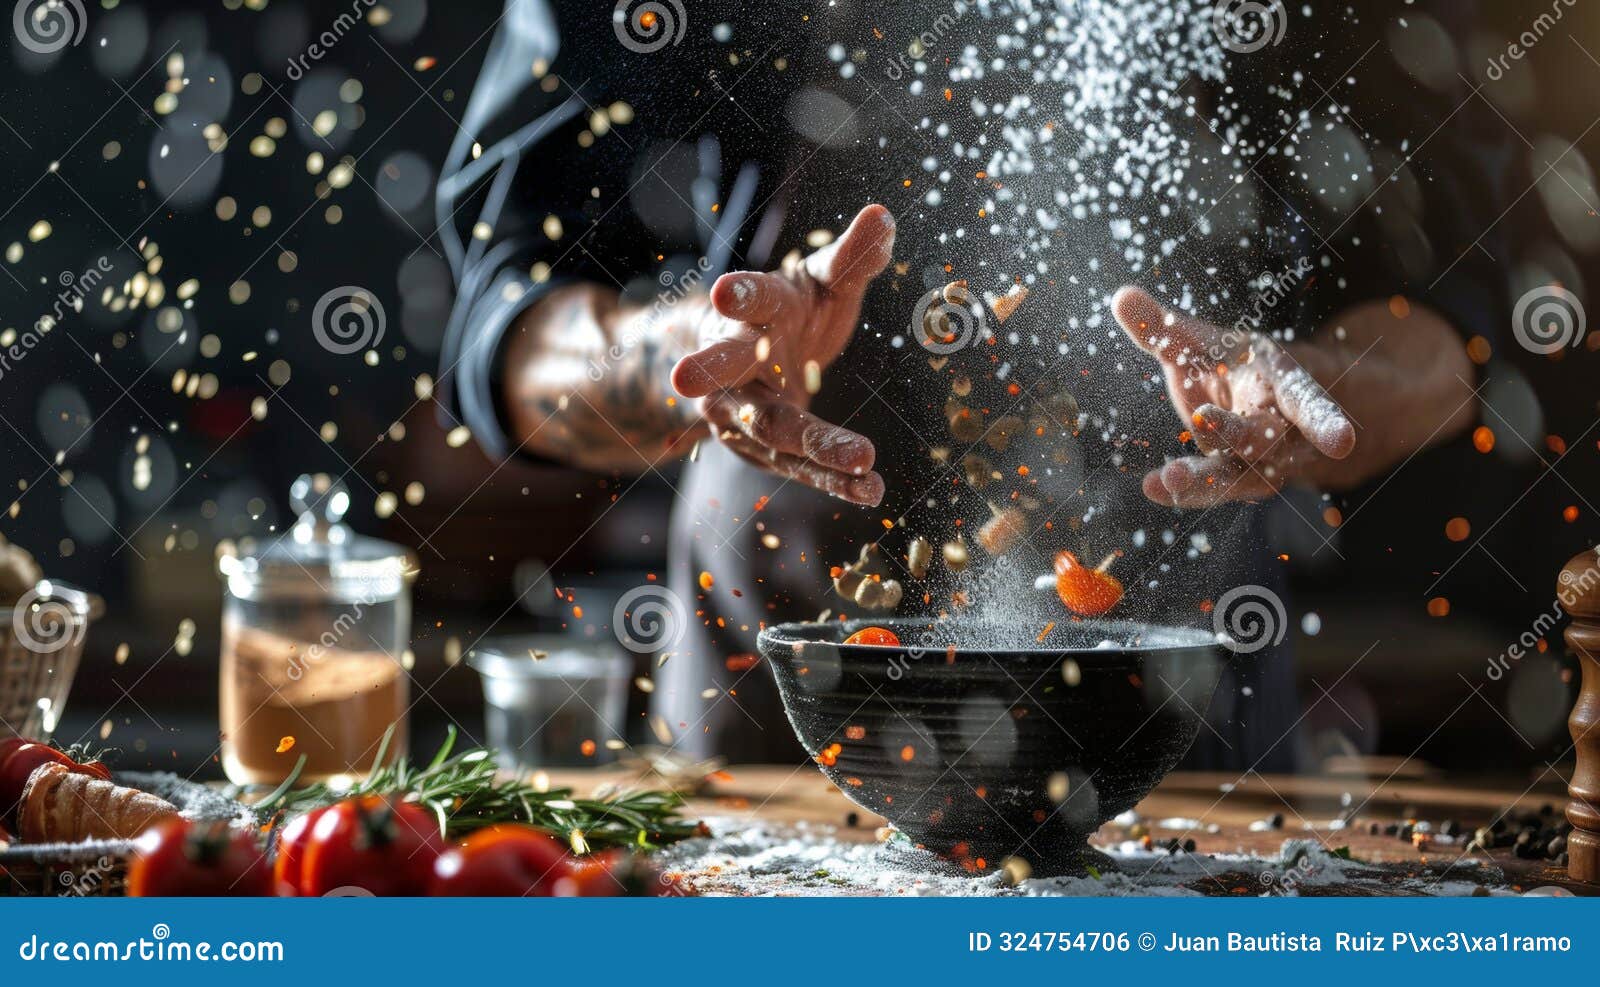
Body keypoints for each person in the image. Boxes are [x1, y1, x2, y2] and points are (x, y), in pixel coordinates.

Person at [440, 0, 1519, 769]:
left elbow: (1464, 322)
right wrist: (694, 360)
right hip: (781, 641)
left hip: (1176, 658)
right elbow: (503, 330)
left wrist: (1313, 389)